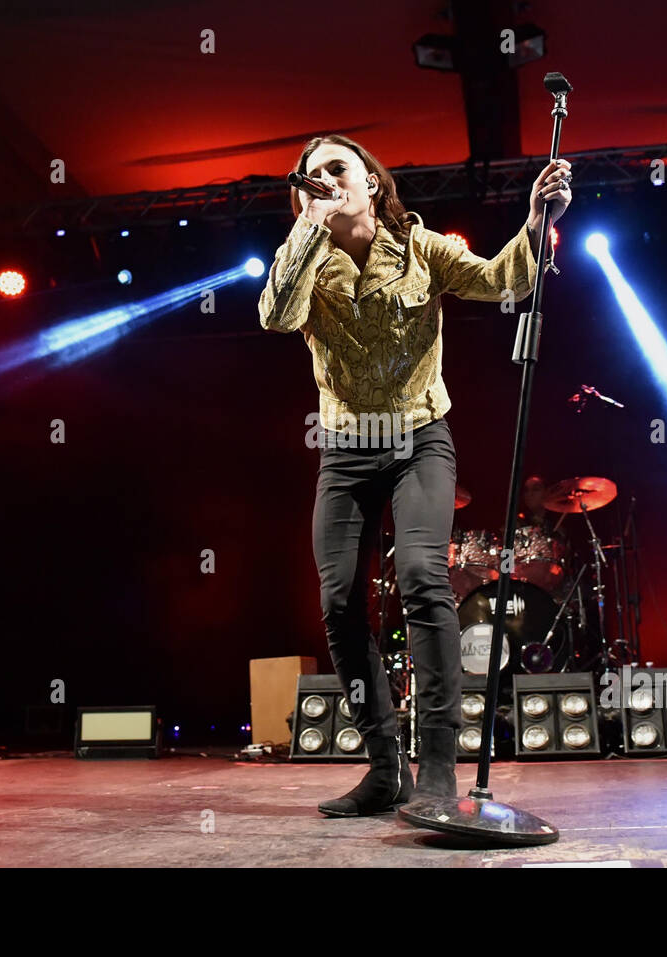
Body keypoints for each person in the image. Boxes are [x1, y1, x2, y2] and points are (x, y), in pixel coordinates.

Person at [258, 134, 571, 816]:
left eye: (337, 168)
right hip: (346, 446)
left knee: (425, 574)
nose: (323, 180)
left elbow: (502, 280)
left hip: (419, 437)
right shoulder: (305, 257)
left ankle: (437, 766)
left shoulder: (422, 248)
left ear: (371, 181)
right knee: (339, 601)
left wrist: (536, 223)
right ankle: (383, 765)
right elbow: (276, 316)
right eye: (310, 176)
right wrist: (307, 233)